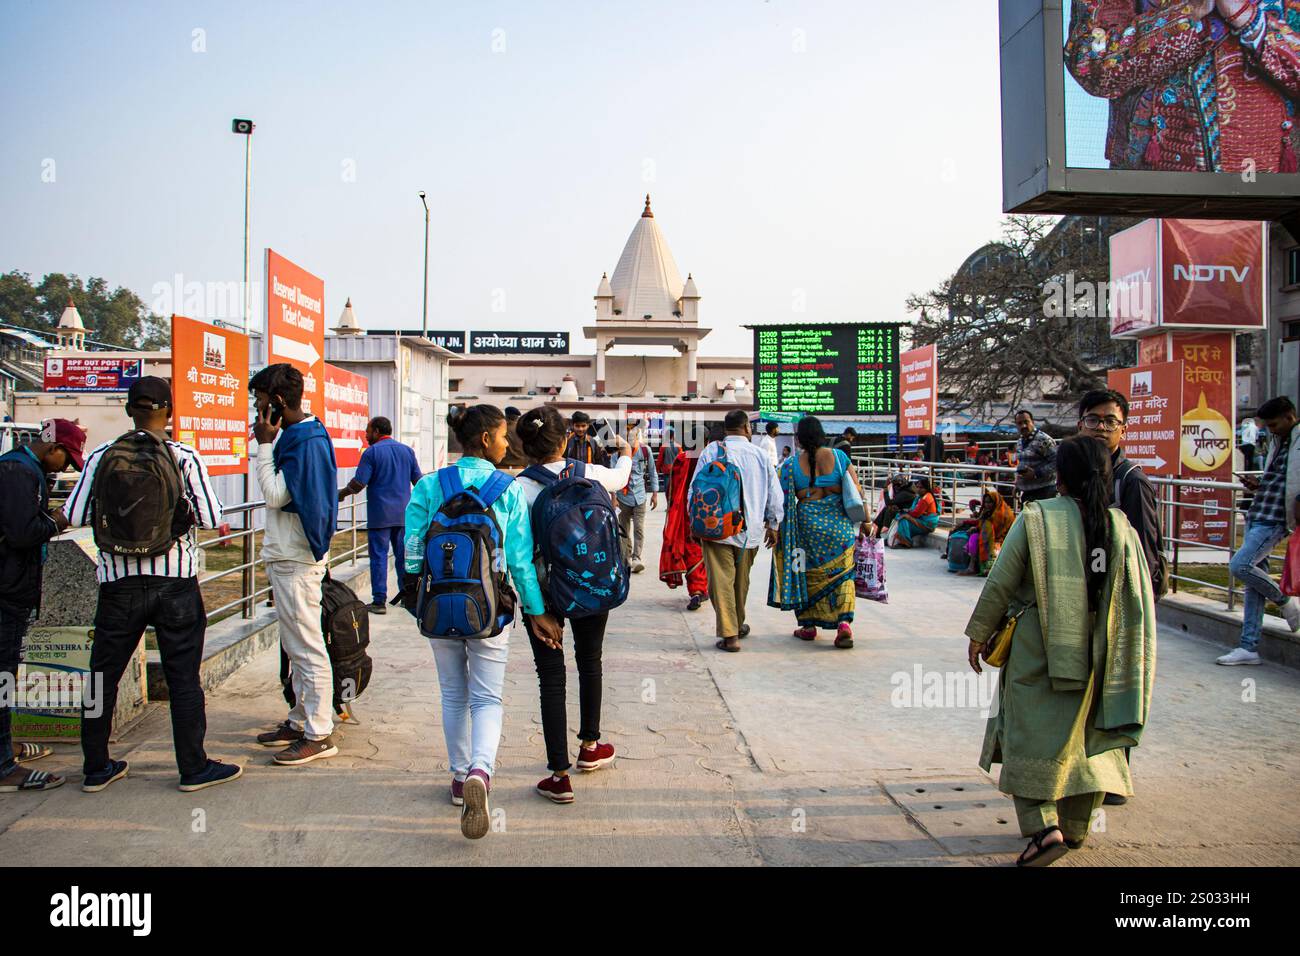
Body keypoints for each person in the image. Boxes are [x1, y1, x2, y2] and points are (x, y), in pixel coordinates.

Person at [965, 435, 1157, 866]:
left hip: (1039, 650)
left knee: (1027, 736)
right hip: (1102, 655)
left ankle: (1042, 830)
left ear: (1059, 476)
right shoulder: (1120, 527)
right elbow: (1138, 600)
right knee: (1086, 742)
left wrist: (979, 633)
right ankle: (1074, 830)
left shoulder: (1038, 517)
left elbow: (1001, 581)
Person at [63, 378, 239, 792]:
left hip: (117, 584)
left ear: (129, 410)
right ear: (170, 412)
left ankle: (96, 767)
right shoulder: (184, 456)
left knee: (102, 679)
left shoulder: (103, 456)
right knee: (183, 680)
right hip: (174, 584)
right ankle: (193, 769)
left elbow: (73, 515)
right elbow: (213, 518)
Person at [402, 405, 561, 838]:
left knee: (453, 693)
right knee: (487, 698)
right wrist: (536, 612)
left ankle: (458, 780)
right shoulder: (505, 490)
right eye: (504, 436)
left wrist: (417, 595)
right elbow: (521, 562)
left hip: (437, 607)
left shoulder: (431, 484)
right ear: (487, 440)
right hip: (491, 609)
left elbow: (412, 545)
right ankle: (481, 772)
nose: (509, 443)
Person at [515, 406, 632, 804]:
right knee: (590, 661)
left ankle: (558, 774)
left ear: (524, 447)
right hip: (591, 582)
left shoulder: (520, 489)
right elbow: (622, 477)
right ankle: (590, 747)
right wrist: (627, 451)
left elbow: (517, 554)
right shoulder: (590, 473)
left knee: (551, 678)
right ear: (566, 439)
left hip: (545, 594)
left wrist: (535, 610)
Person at [1065, 1, 1300, 174]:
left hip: (1273, 195)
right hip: (1156, 189)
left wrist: (1249, 19)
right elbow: (1091, 65)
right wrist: (1189, 15)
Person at [248, 364, 341, 766]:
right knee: (296, 643)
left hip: (296, 558)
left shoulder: (299, 441)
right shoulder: (305, 435)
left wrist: (264, 446)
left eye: (260, 399)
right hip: (293, 554)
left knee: (306, 645)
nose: (256, 406)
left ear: (278, 402)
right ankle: (301, 716)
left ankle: (319, 732)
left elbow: (275, 495)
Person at [0, 418, 83, 794]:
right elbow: (22, 533)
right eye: (66, 459)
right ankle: (4, 766)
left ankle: (5, 748)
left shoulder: (23, 470)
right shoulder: (20, 473)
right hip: (6, 590)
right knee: (3, 675)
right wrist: (58, 522)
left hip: (12, 587)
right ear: (52, 448)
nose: (66, 468)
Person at [690, 410, 783, 652]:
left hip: (716, 528)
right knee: (741, 582)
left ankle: (731, 632)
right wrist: (773, 524)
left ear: (725, 428)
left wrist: (694, 522)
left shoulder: (712, 451)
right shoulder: (761, 455)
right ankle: (735, 625)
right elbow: (775, 494)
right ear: (747, 428)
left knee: (721, 582)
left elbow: (694, 490)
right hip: (750, 530)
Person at [769, 415, 863, 649]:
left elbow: (779, 500)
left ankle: (809, 626)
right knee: (844, 575)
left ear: (799, 438)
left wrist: (773, 527)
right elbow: (857, 489)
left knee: (806, 575)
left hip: (806, 529)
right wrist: (867, 520)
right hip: (839, 528)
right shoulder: (840, 458)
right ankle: (843, 624)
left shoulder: (790, 465)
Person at [1223, 396, 1300, 665]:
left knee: (1240, 566)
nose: (1270, 429)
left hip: (1275, 518)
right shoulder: (1280, 441)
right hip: (1259, 511)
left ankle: (1285, 601)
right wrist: (1259, 484)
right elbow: (1282, 477)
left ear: (1290, 417)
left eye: (1274, 424)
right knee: (1254, 582)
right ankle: (1249, 647)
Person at [1077, 389, 1166, 599]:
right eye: (1093, 420)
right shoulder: (1075, 473)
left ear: (1123, 430)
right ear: (1079, 425)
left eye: (1110, 421)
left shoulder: (1132, 482)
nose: (1101, 427)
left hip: (1117, 595)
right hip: (1080, 590)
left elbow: (1144, 552)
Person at [338, 417, 422, 614]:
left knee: (378, 558)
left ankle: (379, 601)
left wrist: (340, 494)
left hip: (379, 516)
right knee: (404, 558)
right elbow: (419, 480)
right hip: (403, 515)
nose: (366, 436)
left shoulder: (372, 453)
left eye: (368, 432)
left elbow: (359, 483)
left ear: (376, 431)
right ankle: (408, 597)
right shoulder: (407, 451)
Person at [660, 427, 710, 612]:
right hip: (709, 512)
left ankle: (696, 590)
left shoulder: (681, 460)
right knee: (706, 552)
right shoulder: (711, 458)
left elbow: (672, 490)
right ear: (706, 441)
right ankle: (702, 588)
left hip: (685, 513)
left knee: (690, 550)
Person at [613, 426, 659, 573]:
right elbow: (613, 473)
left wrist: (655, 493)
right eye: (629, 437)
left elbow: (652, 471)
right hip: (622, 496)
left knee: (639, 528)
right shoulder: (617, 452)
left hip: (640, 495)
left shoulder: (646, 451)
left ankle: (636, 557)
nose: (631, 439)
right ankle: (626, 559)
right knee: (623, 529)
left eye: (634, 436)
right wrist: (613, 498)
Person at [958, 489, 1015, 577]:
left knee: (981, 540)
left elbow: (998, 530)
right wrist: (975, 528)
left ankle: (987, 568)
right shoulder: (986, 512)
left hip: (1001, 539)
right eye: (985, 502)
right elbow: (982, 525)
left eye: (989, 502)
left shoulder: (1003, 514)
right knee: (973, 538)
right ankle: (972, 567)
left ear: (996, 502)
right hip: (987, 537)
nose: (987, 505)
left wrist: (979, 528)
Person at [1014, 410, 1058, 507]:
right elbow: (1022, 463)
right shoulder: (1020, 441)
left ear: (1032, 422)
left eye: (1026, 422)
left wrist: (1036, 473)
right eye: (1020, 423)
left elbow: (1057, 461)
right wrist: (1018, 485)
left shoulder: (1043, 440)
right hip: (1028, 493)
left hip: (1044, 492)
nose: (1023, 426)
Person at [890, 476, 939, 548]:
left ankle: (906, 543)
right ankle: (892, 538)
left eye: (921, 488)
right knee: (899, 515)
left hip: (927, 524)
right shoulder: (920, 497)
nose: (918, 489)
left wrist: (906, 514)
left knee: (903, 520)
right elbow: (913, 510)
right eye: (917, 487)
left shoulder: (926, 498)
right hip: (921, 520)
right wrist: (905, 511)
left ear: (926, 488)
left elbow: (916, 514)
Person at [656, 426, 682, 505]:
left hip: (667, 471)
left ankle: (669, 504)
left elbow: (660, 460)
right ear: (673, 436)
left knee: (667, 488)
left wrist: (657, 470)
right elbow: (681, 459)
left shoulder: (663, 447)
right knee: (676, 488)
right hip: (677, 471)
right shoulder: (679, 447)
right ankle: (674, 504)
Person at [500, 406, 527, 470]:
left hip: (501, 469)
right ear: (517, 418)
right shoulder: (523, 430)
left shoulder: (499, 429)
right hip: (519, 469)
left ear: (506, 416)